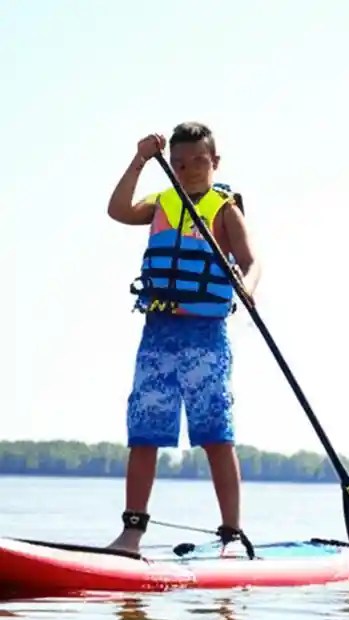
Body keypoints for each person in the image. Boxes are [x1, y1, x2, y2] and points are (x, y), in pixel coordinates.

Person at [104, 122, 261, 555]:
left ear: (215, 163)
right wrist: (139, 159)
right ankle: (132, 531)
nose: (188, 169)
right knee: (145, 431)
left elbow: (251, 260)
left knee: (215, 433)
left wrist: (247, 287)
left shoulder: (225, 209)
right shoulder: (161, 203)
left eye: (197, 161)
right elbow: (117, 209)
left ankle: (230, 533)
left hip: (205, 336)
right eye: (178, 163)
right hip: (158, 333)